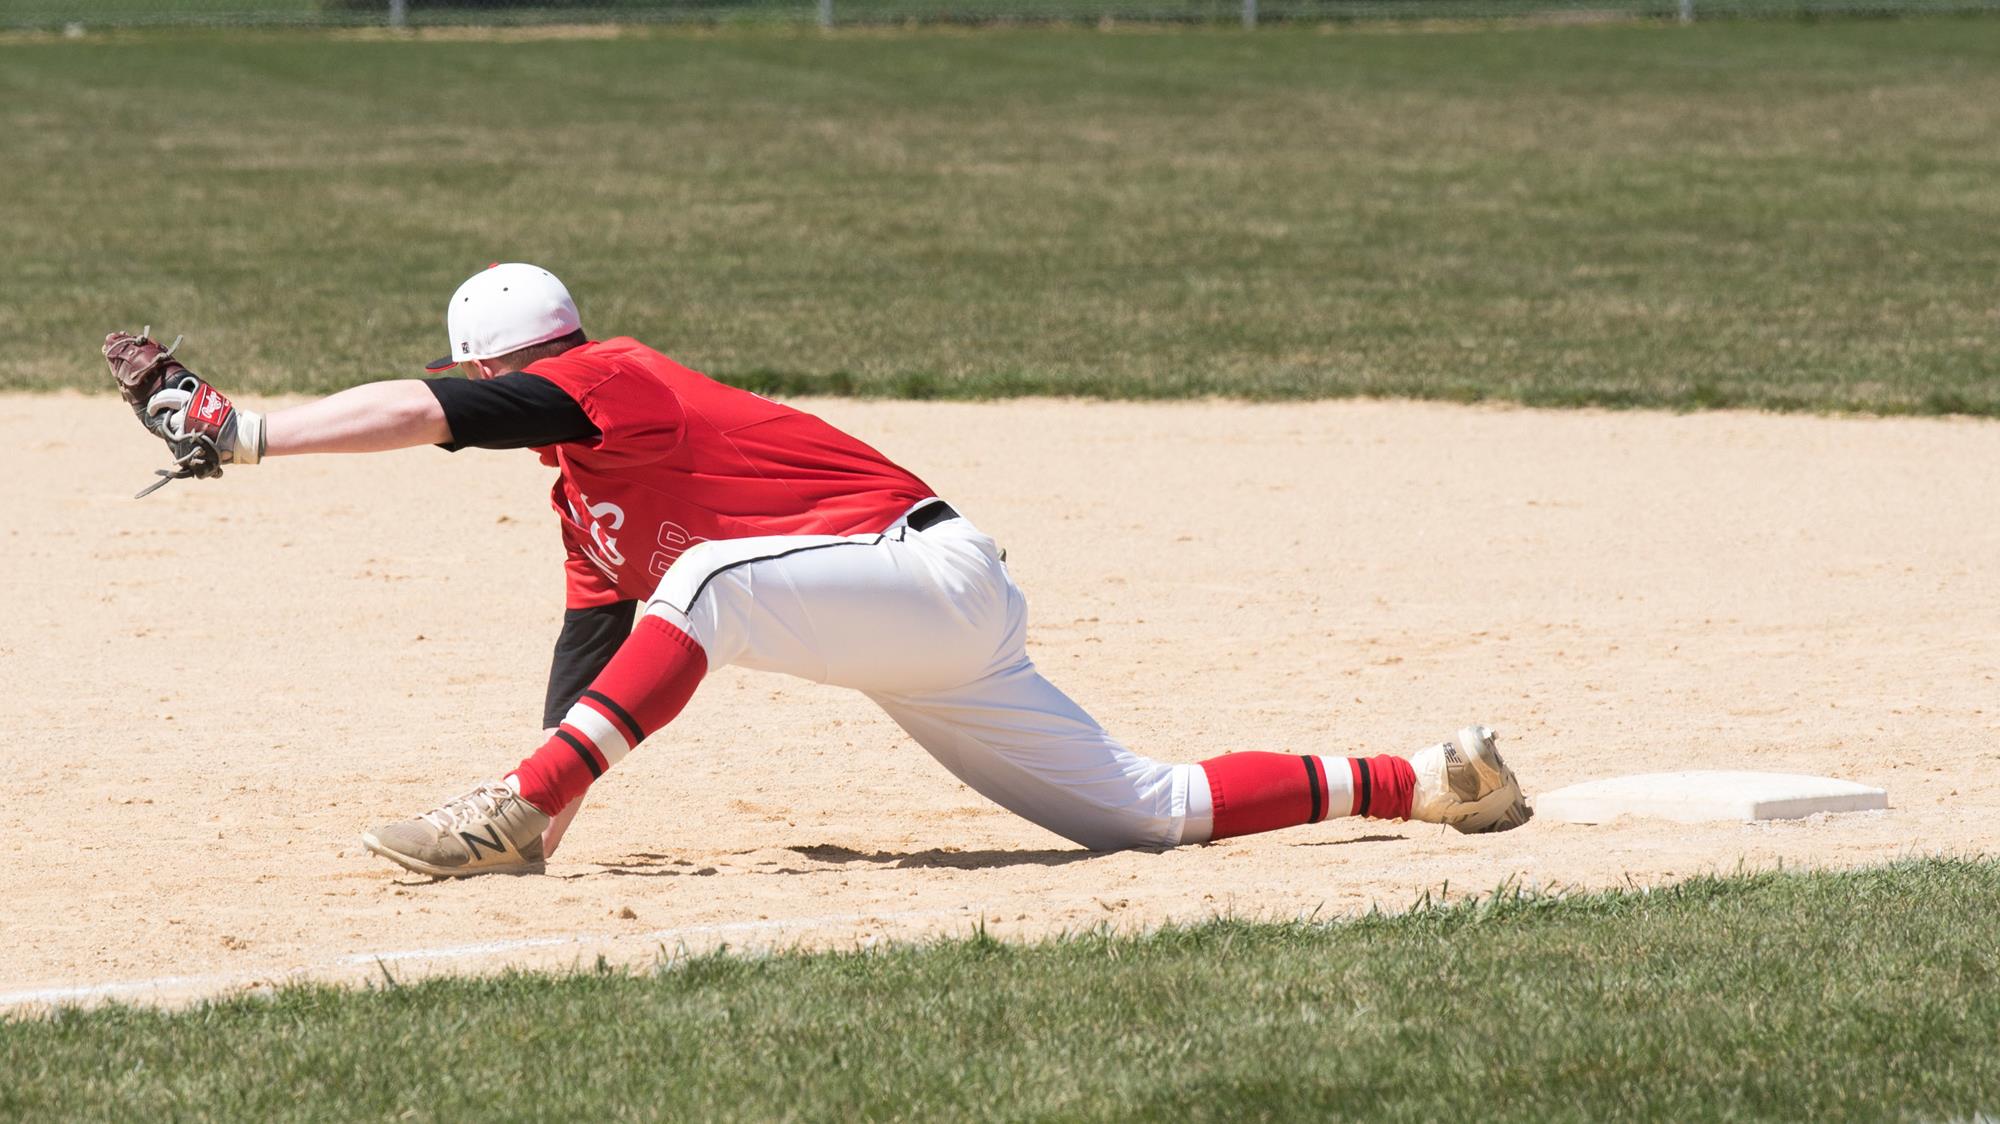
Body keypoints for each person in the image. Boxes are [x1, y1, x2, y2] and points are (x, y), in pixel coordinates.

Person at [109, 263, 1530, 879]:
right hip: (913, 633)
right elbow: (600, 647)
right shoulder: (593, 499)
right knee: (1141, 817)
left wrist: (245, 435)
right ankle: (1423, 781)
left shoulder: (614, 378)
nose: (510, 402)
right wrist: (558, 793)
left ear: (510, 367)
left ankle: (502, 816)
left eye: (502, 384)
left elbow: (427, 410)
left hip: (932, 574)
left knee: (716, 589)